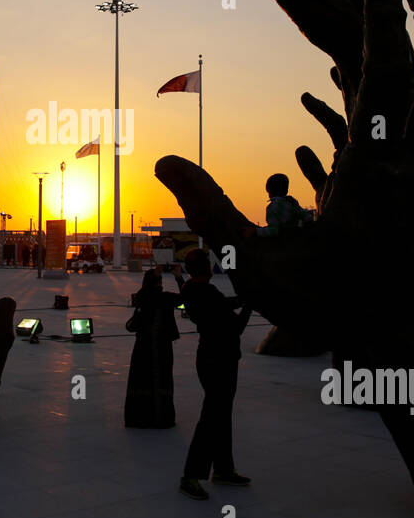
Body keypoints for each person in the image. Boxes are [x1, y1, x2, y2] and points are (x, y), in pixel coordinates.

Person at [178, 248, 252, 500]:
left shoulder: (191, 289)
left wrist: (238, 301)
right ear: (204, 268)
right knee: (212, 418)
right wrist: (250, 305)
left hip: (210, 357)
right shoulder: (207, 293)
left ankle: (223, 468)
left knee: (219, 415)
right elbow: (236, 327)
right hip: (220, 359)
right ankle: (191, 475)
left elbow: (221, 304)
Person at [124, 267, 182, 429]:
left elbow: (132, 323)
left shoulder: (142, 297)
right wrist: (179, 278)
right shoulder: (164, 298)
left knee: (143, 378)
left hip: (143, 347)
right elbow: (187, 298)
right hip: (162, 347)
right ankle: (160, 417)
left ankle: (141, 416)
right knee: (161, 378)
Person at [244, 173, 312, 238]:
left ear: (269, 190)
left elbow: (273, 230)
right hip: (296, 238)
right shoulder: (292, 202)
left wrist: (256, 231)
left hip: (282, 242)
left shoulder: (272, 207)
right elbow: (307, 217)